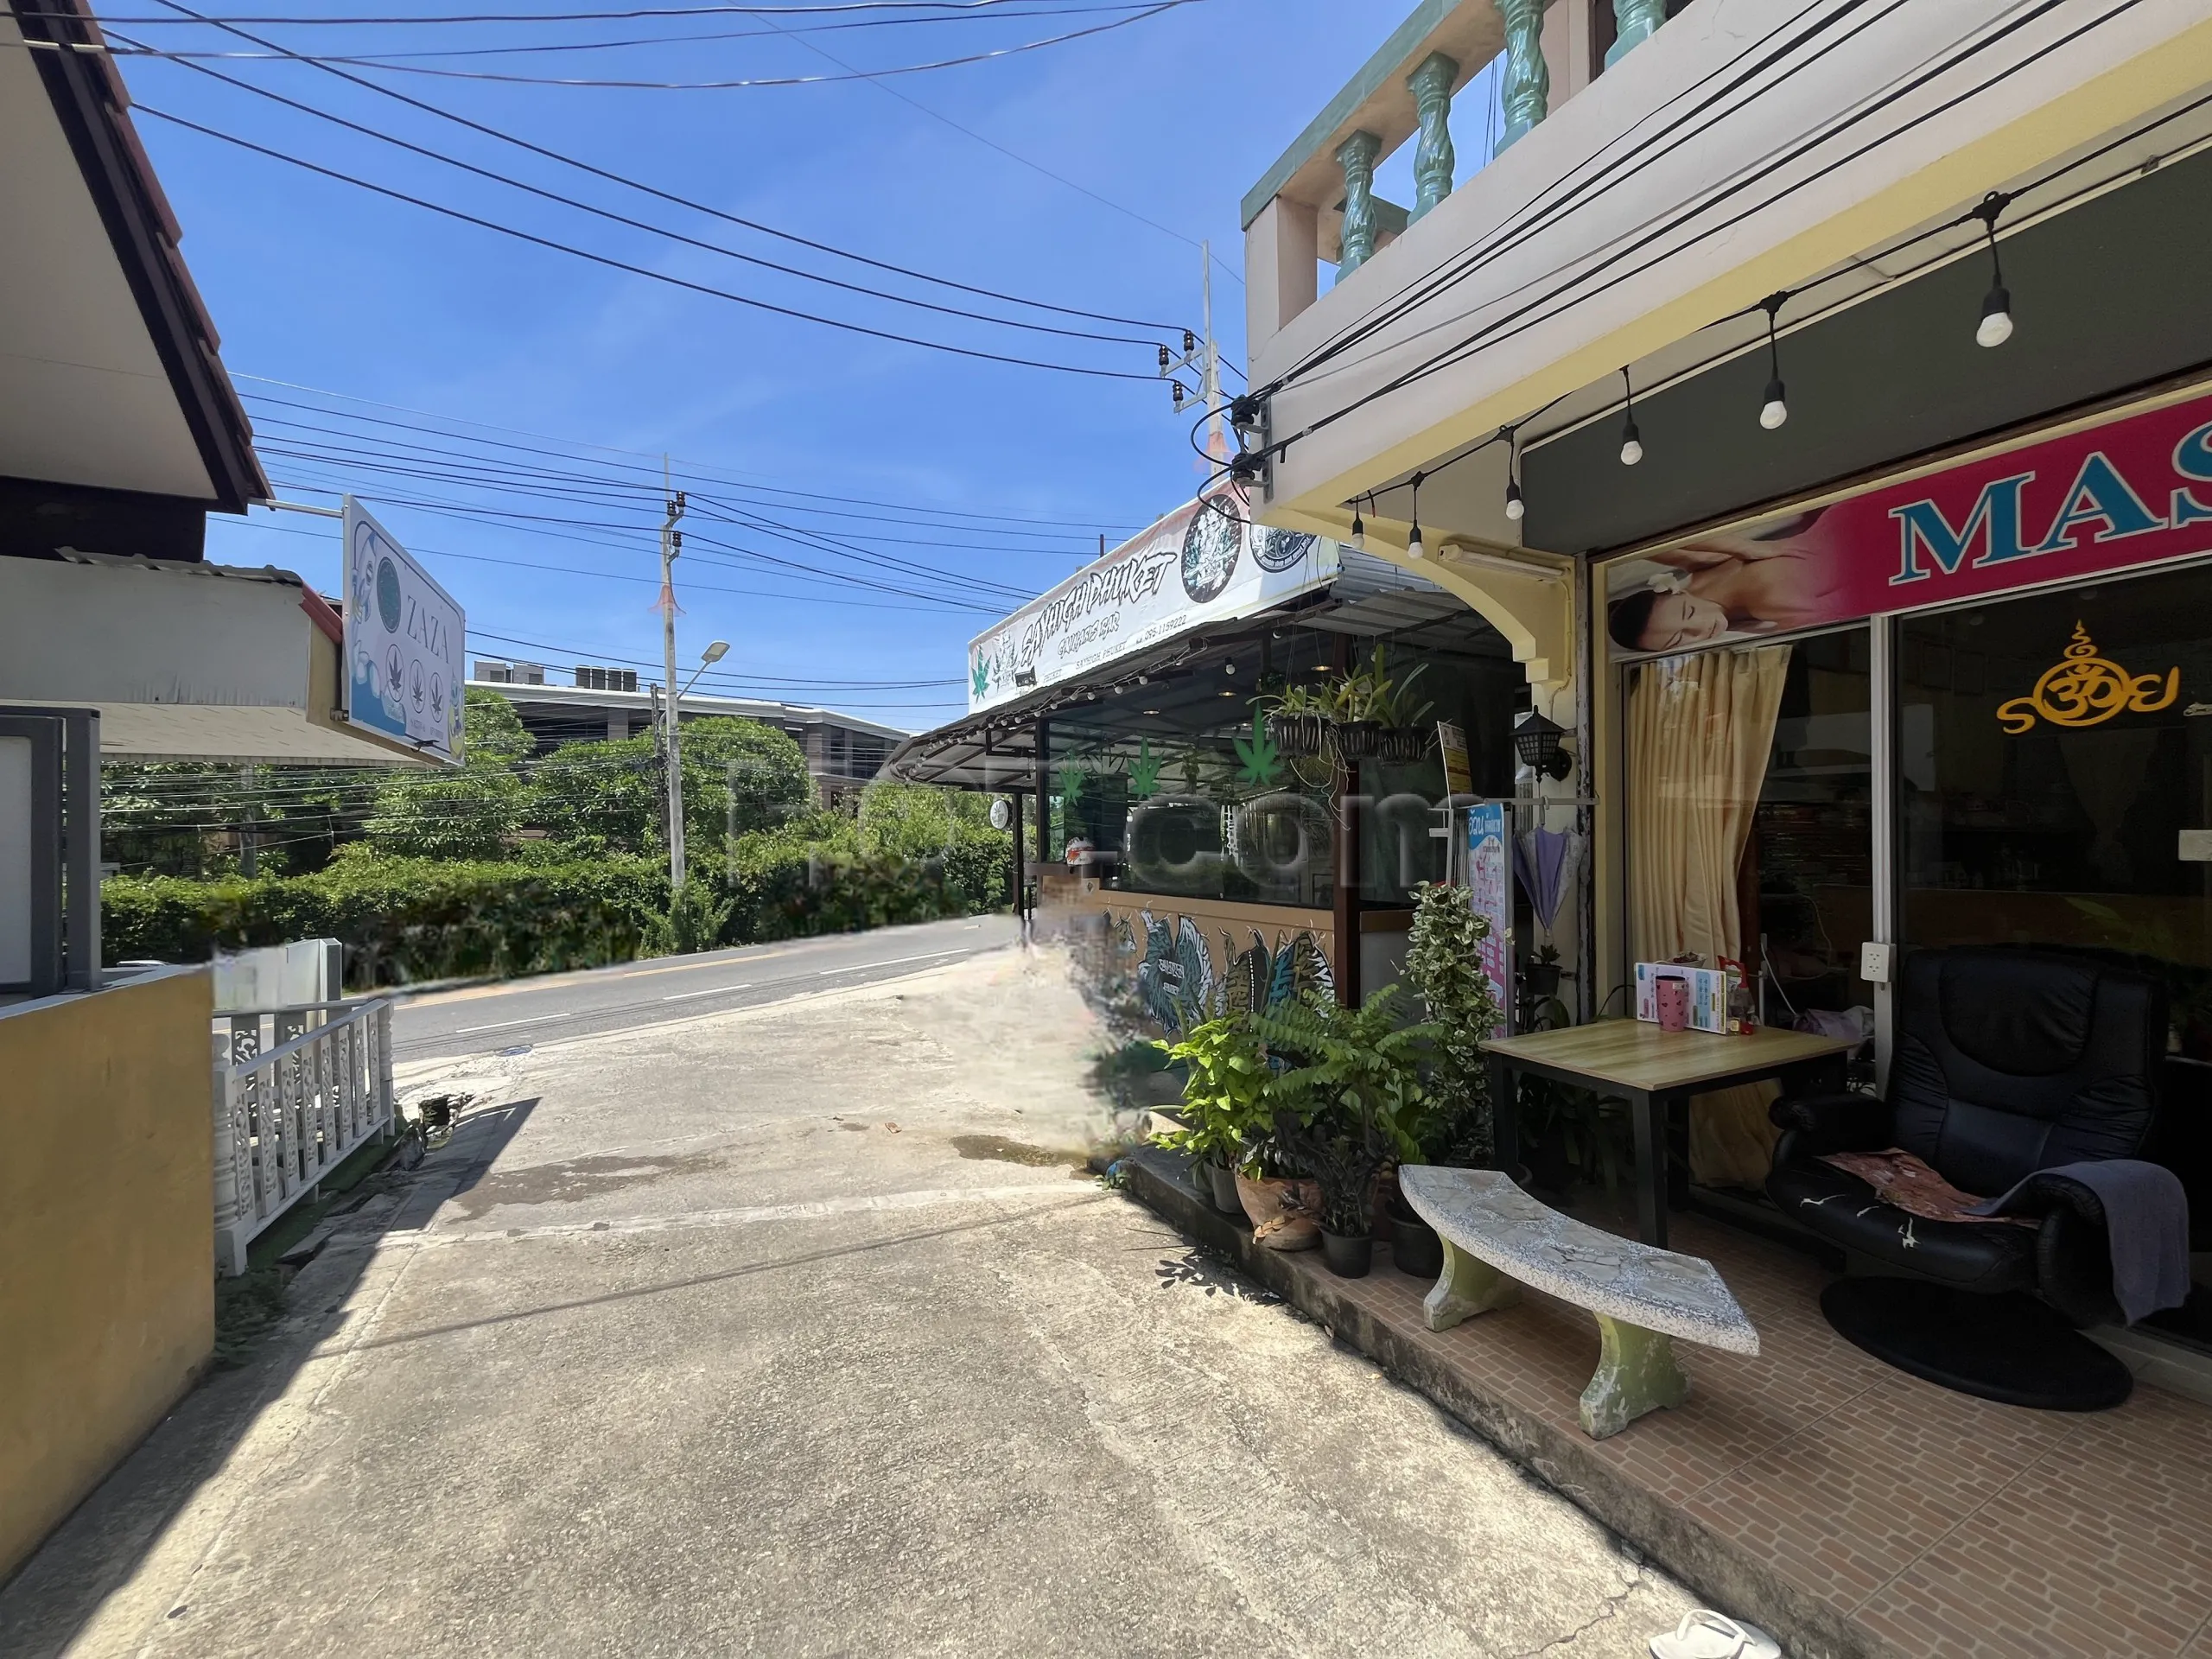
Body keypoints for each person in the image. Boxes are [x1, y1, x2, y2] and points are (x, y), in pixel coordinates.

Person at [1606, 509, 1840, 652]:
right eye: (1679, 639)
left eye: (1689, 613)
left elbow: (1632, 533)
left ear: (1680, 593)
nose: (1701, 628)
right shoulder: (1699, 568)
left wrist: (1749, 547)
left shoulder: (1769, 597)